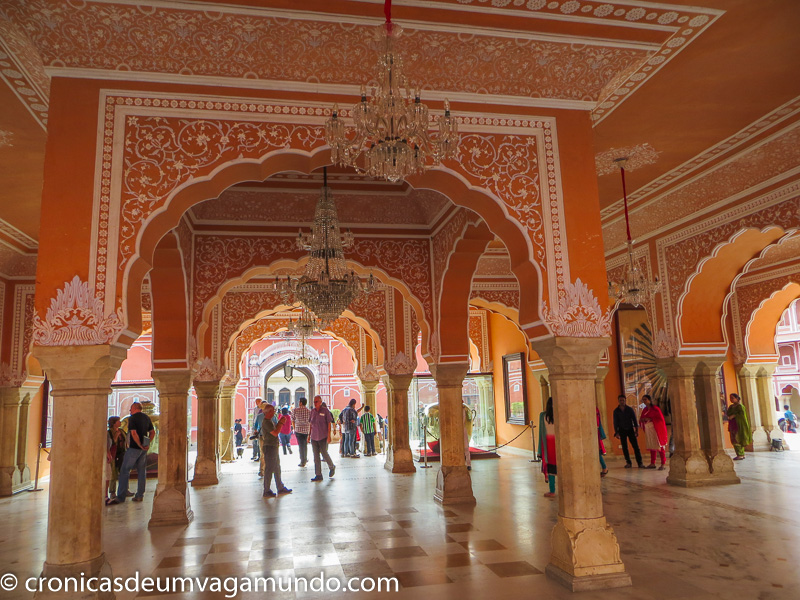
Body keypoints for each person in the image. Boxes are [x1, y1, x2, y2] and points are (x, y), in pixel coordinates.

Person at [110, 402, 154, 504]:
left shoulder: (133, 418)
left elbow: (133, 433)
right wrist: (146, 444)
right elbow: (152, 432)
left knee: (124, 470)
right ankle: (139, 495)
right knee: (142, 472)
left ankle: (121, 496)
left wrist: (139, 445)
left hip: (134, 448)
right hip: (143, 450)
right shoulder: (146, 418)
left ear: (134, 408)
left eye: (131, 409)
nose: (130, 411)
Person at [260, 404, 292, 497]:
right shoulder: (266, 422)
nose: (274, 412)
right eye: (273, 410)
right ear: (269, 412)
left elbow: (275, 430)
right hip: (269, 447)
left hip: (273, 446)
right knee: (269, 469)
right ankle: (266, 490)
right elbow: (274, 433)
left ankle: (280, 487)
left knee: (277, 467)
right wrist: (281, 423)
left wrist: (279, 423)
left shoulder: (270, 421)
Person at [613, 394, 644, 468]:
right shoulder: (616, 411)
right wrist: (616, 432)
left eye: (623, 400)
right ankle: (628, 462)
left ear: (625, 401)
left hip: (630, 429)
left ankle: (640, 463)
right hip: (621, 430)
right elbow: (615, 422)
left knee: (635, 446)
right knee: (624, 447)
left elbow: (634, 420)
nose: (622, 402)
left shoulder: (629, 409)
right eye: (620, 400)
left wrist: (636, 430)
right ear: (618, 401)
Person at [309, 395, 336, 481]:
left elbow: (329, 423)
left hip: (322, 436)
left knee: (324, 453)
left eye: (316, 402)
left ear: (320, 402)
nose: (315, 403)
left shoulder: (325, 411)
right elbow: (311, 424)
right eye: (314, 402)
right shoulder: (312, 411)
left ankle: (331, 466)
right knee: (316, 456)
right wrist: (309, 435)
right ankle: (318, 474)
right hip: (314, 437)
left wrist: (329, 435)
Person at [639, 394, 668, 470]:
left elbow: (660, 419)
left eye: (645, 399)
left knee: (660, 446)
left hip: (656, 430)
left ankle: (663, 463)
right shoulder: (644, 410)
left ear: (649, 400)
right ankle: (652, 463)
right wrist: (642, 420)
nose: (644, 401)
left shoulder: (655, 409)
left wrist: (649, 419)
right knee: (652, 446)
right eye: (643, 400)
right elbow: (641, 418)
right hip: (649, 431)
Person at [105, 416, 126, 505]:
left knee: (123, 471)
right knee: (112, 473)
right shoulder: (109, 432)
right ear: (114, 423)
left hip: (121, 453)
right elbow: (111, 443)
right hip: (113, 454)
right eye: (118, 421)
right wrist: (116, 436)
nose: (120, 423)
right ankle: (112, 492)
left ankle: (124, 490)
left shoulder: (121, 431)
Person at [538, 397, 557, 498]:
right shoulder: (560, 415)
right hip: (558, 442)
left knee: (550, 467)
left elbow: (541, 433)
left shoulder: (543, 416)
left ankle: (552, 490)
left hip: (548, 443)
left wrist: (539, 450)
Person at [727, 393, 752, 460]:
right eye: (730, 398)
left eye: (733, 398)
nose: (731, 399)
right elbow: (728, 413)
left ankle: (741, 454)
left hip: (739, 425)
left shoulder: (740, 406)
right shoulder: (731, 407)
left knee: (737, 439)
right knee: (734, 439)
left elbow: (742, 415)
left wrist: (734, 415)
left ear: (737, 398)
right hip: (732, 424)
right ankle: (739, 454)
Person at [293, 397, 311, 467]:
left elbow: (293, 420)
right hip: (306, 430)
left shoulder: (295, 410)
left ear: (300, 402)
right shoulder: (309, 411)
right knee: (305, 445)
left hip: (298, 430)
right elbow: (310, 421)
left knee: (301, 446)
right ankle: (305, 458)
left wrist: (294, 428)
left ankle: (302, 461)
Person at [596, 408, 608, 477]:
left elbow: (597, 422)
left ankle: (604, 467)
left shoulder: (595, 409)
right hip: (594, 431)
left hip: (595, 432)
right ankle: (604, 467)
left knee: (597, 452)